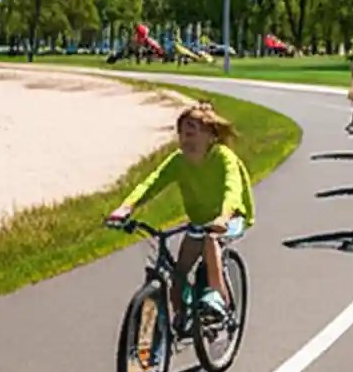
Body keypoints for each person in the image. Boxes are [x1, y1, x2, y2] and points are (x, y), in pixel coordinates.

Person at [105, 102, 255, 329]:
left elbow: (231, 191)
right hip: (199, 221)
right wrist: (127, 207)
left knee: (211, 240)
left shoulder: (223, 157)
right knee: (179, 273)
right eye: (183, 135)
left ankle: (218, 299)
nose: (187, 141)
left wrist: (224, 217)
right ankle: (180, 318)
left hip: (232, 217)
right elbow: (151, 183)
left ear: (210, 136)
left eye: (193, 134)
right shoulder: (179, 161)